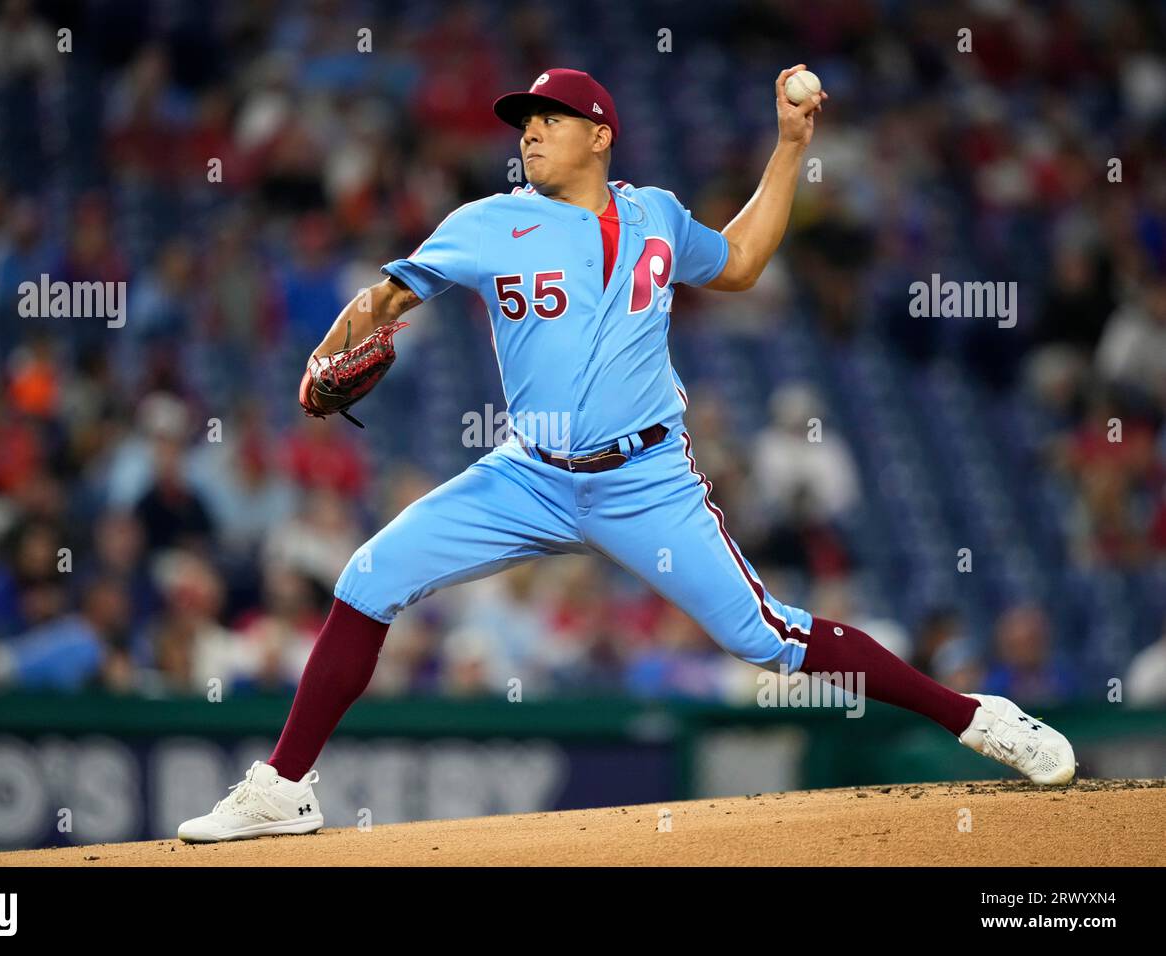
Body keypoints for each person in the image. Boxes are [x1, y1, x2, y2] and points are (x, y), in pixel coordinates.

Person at [178, 66, 1075, 843]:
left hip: (646, 481)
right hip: (527, 473)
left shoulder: (657, 215)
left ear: (599, 133)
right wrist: (323, 356)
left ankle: (979, 719)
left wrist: (790, 144)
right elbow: (382, 300)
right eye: (522, 121)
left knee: (766, 637)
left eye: (549, 117)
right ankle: (284, 789)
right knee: (369, 577)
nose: (529, 130)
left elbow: (744, 263)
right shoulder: (488, 222)